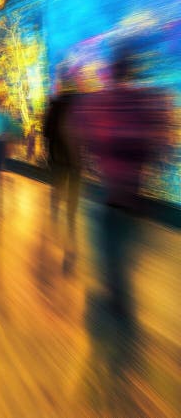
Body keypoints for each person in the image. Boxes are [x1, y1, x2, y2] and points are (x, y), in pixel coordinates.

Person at [72, 49, 171, 318]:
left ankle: (114, 292)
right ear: (131, 71)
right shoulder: (145, 101)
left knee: (104, 242)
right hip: (134, 188)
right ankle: (119, 290)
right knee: (123, 242)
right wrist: (155, 169)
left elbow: (82, 131)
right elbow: (160, 139)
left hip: (105, 187)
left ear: (110, 72)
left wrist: (90, 159)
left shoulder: (96, 102)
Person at [43, 71, 82, 273]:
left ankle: (55, 216)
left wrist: (47, 151)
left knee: (57, 188)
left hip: (58, 157)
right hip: (75, 159)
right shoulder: (79, 106)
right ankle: (70, 219)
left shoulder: (54, 105)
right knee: (72, 194)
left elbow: (46, 132)